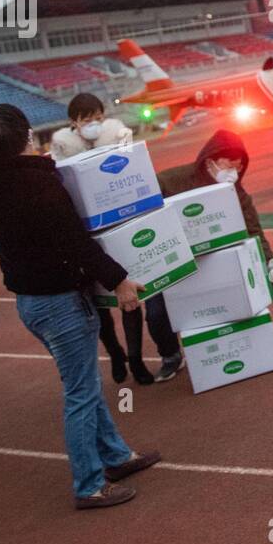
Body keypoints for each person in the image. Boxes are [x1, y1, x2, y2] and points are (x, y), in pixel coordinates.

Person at [0, 103, 160, 509]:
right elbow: (73, 241)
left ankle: (115, 456)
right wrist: (119, 280)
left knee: (86, 387)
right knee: (80, 393)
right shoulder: (37, 184)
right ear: (27, 136)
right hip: (59, 303)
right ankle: (89, 485)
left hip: (34, 302)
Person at [50, 92, 180, 384]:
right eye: (87, 119)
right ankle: (116, 354)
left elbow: (135, 168)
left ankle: (135, 360)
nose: (94, 123)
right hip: (85, 236)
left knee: (128, 294)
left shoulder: (117, 137)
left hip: (122, 227)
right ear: (74, 121)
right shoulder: (62, 149)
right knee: (98, 303)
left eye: (98, 117)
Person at [157, 130, 273, 346]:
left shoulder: (238, 193)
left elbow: (254, 231)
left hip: (222, 259)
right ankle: (170, 354)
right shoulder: (174, 181)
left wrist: (272, 262)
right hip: (180, 259)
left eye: (239, 167)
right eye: (228, 166)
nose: (233, 172)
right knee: (156, 311)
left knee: (245, 285)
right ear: (210, 161)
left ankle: (259, 333)